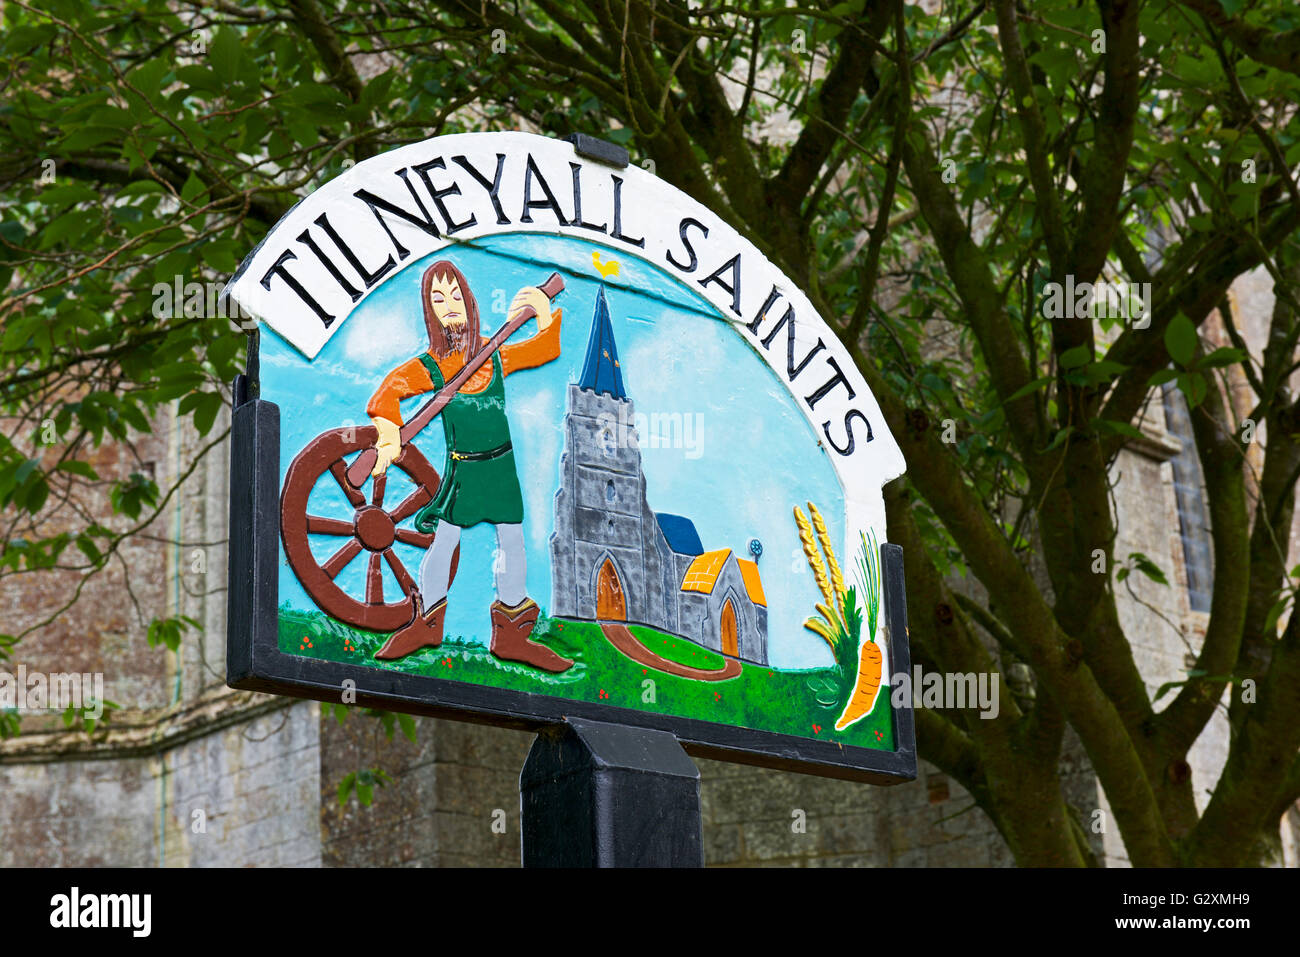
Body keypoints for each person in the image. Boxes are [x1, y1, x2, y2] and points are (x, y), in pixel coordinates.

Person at [364, 259, 572, 673]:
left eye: (456, 295)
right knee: (445, 541)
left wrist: (544, 313)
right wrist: (389, 433)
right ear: (431, 311)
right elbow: (390, 389)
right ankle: (428, 623)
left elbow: (543, 349)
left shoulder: (495, 355)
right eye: (439, 299)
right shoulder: (432, 366)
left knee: (511, 541)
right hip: (464, 467)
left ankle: (512, 633)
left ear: (469, 300)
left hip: (501, 465)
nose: (450, 305)